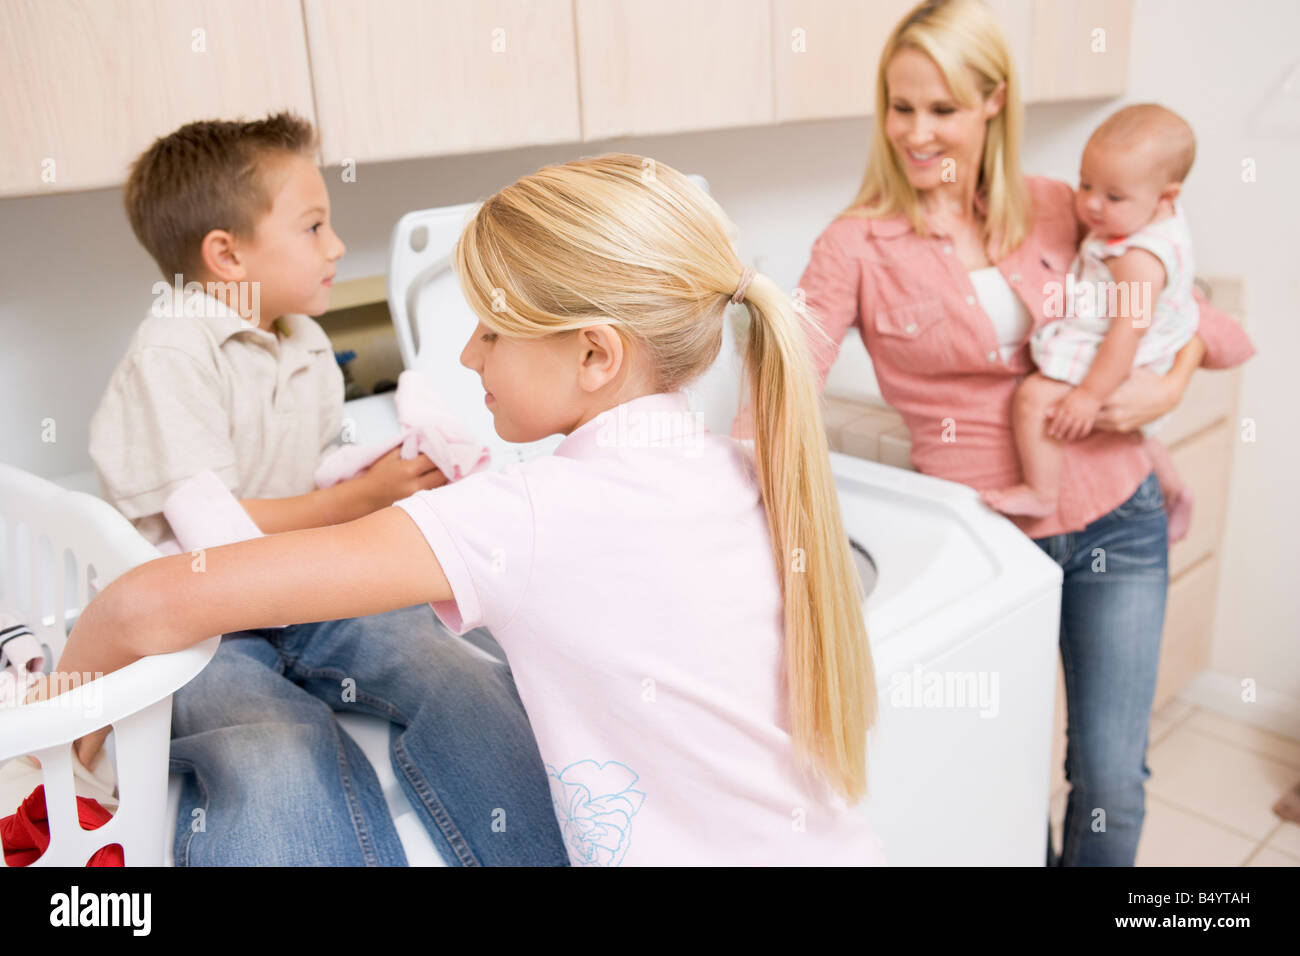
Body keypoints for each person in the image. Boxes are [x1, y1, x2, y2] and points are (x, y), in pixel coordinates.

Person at [40, 152, 887, 866]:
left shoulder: (528, 516)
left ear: (594, 353)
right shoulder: (743, 471)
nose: (464, 351)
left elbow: (139, 601)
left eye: (490, 328)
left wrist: (51, 757)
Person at [777, 0, 1254, 865]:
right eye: (901, 105)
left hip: (1119, 512)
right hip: (989, 544)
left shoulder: (1054, 206)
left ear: (993, 102)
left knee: (1111, 775)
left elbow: (1193, 316)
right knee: (1001, 770)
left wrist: (1166, 389)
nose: (917, 133)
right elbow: (786, 385)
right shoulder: (853, 244)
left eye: (943, 109)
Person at [84, 112, 567, 866]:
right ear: (226, 254)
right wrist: (356, 502)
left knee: (462, 678)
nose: (337, 246)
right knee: (273, 746)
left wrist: (386, 471)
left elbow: (310, 470)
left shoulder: (303, 340)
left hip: (302, 583)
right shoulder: (173, 348)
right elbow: (210, 529)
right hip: (203, 619)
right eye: (313, 227)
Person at [981, 104, 1201, 543]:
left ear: (1166, 197)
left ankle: (1041, 492)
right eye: (1085, 184)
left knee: (1034, 396)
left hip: (1129, 352)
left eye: (1113, 196)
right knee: (1143, 434)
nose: (1092, 205)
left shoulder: (1139, 259)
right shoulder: (1137, 224)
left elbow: (1126, 333)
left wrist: (1088, 395)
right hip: (1136, 345)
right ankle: (1175, 489)